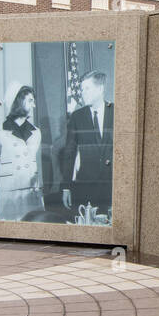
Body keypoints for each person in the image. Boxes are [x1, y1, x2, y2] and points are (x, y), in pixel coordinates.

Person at [61, 69, 113, 216]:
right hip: (86, 189)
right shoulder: (77, 117)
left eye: (87, 88)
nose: (82, 93)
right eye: (82, 89)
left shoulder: (117, 112)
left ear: (100, 88)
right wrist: (66, 187)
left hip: (113, 187)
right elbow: (69, 153)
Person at [0, 83, 42, 220]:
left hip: (31, 195)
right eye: (30, 100)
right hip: (8, 197)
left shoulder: (36, 132)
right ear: (18, 102)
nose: (34, 105)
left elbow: (37, 168)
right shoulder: (0, 131)